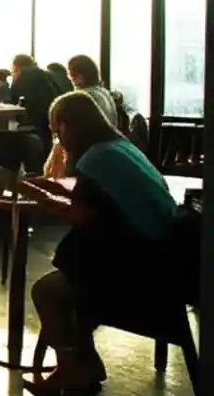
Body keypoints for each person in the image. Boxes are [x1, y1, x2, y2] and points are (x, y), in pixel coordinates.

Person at [22, 92, 178, 393]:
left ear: (70, 126)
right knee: (71, 272)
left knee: (47, 291)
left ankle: (72, 367)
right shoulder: (120, 148)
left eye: (57, 131)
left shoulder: (95, 158)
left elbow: (81, 215)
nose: (58, 139)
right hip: (168, 255)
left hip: (141, 267)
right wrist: (49, 186)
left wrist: (37, 195)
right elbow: (100, 196)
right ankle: (85, 364)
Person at [10, 54, 59, 151]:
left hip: (35, 127)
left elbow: (16, 103)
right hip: (52, 126)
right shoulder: (47, 75)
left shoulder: (23, 77)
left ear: (16, 68)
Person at [66, 55, 117, 124]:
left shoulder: (85, 97)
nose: (71, 80)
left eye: (71, 75)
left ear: (80, 76)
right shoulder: (105, 93)